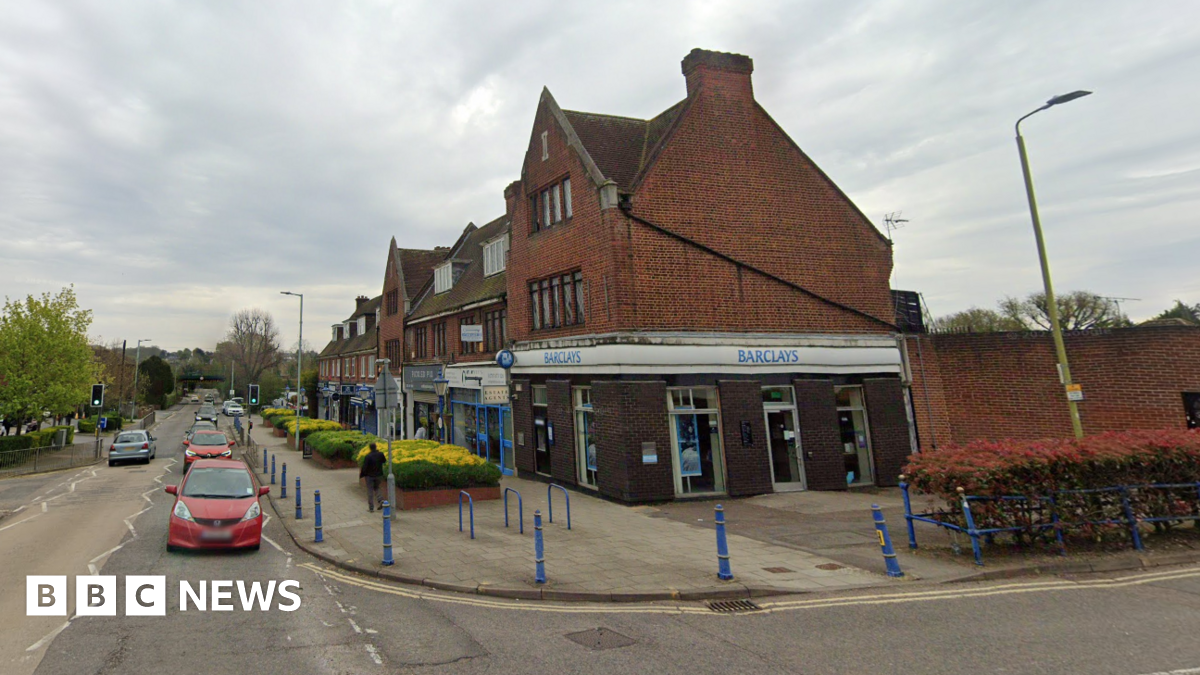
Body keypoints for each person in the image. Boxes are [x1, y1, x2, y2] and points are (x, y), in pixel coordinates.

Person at [359, 442, 387, 512]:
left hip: (369, 476)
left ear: (370, 448)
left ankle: (371, 507)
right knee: (377, 488)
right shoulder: (380, 454)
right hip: (379, 475)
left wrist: (362, 475)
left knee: (370, 490)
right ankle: (380, 500)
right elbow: (384, 461)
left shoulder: (368, 456)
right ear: (376, 447)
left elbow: (365, 467)